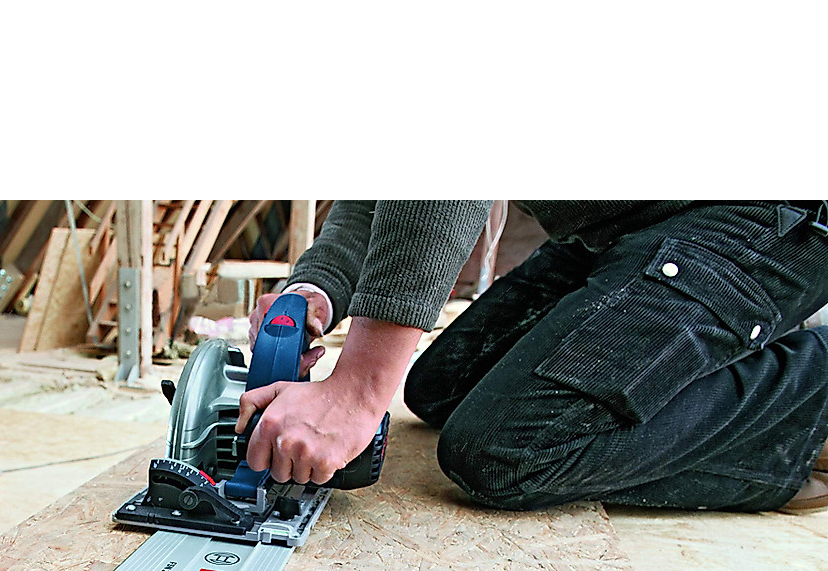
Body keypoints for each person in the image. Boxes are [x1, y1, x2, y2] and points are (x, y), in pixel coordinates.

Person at [237, 202, 828, 513]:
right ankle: (685, 346)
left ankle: (812, 394)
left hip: (759, 218)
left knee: (506, 451)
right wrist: (317, 288)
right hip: (626, 224)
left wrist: (356, 393)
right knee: (440, 386)